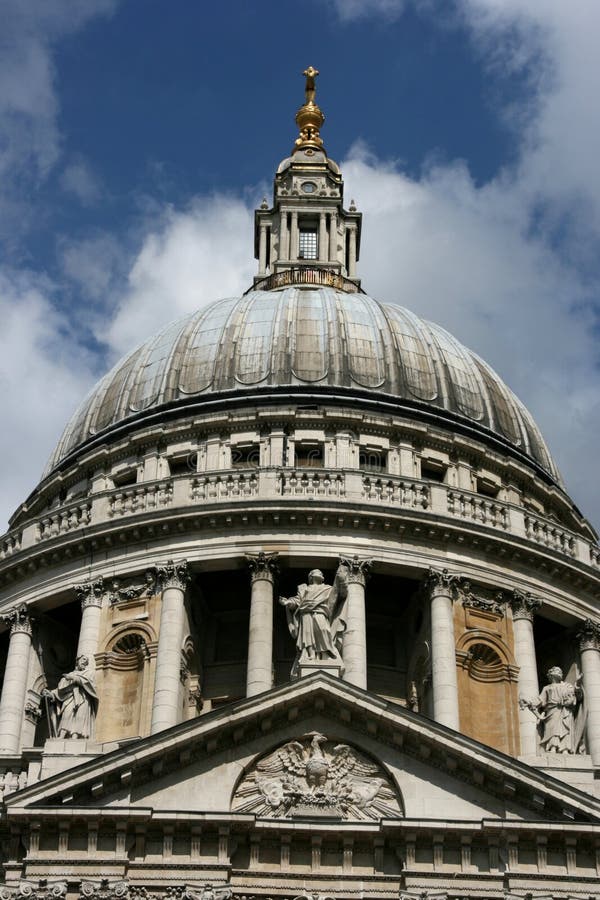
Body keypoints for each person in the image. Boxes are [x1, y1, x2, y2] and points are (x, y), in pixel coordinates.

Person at [279, 568, 347, 675]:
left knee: (323, 630)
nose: (321, 574)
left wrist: (341, 579)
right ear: (311, 576)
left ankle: (326, 654)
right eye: (318, 572)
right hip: (306, 613)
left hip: (320, 613)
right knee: (307, 635)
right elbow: (297, 601)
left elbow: (340, 593)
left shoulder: (327, 588)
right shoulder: (304, 589)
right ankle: (310, 655)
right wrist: (287, 602)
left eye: (321, 573)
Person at [43, 655, 98, 739]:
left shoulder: (89, 673)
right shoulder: (69, 675)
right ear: (77, 660)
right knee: (67, 714)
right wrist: (51, 694)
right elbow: (60, 689)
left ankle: (75, 737)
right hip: (70, 698)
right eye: (83, 659)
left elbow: (91, 686)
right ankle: (61, 736)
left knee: (80, 716)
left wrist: (74, 678)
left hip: (83, 698)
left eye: (86, 661)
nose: (85, 662)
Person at [536, 666, 582, 754]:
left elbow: (575, 696)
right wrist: (531, 703)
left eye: (560, 671)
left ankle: (565, 749)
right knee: (553, 729)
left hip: (565, 710)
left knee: (566, 729)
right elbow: (540, 700)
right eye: (557, 671)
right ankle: (553, 747)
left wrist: (577, 684)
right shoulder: (547, 688)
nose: (560, 673)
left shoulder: (567, 686)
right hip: (552, 710)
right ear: (551, 675)